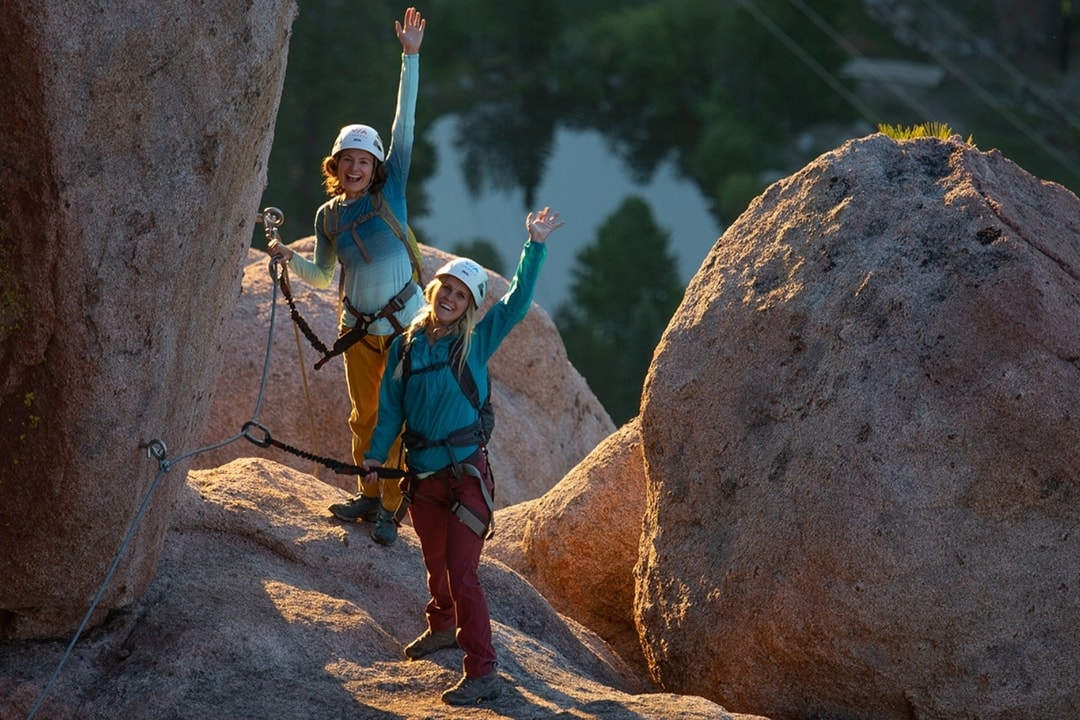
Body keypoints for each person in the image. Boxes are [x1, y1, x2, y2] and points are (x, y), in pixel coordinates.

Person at [360, 207, 564, 706]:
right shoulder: (406, 347)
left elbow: (515, 303)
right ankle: (444, 625)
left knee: (463, 571)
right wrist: (372, 455)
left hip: (466, 477)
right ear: (434, 292)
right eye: (446, 288)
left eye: (461, 294)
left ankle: (482, 671)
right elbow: (389, 409)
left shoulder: (475, 342)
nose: (450, 297)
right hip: (424, 475)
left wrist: (533, 246)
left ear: (470, 307)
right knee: (435, 563)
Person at [268, 7, 426, 546]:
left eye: (363, 161)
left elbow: (405, 125)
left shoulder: (392, 195)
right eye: (345, 161)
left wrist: (410, 57)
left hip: (404, 327)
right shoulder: (328, 216)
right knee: (365, 417)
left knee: (396, 420)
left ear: (377, 166)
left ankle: (390, 507)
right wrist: (291, 262)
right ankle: (368, 493)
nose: (354, 168)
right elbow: (322, 275)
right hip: (359, 331)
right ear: (334, 167)